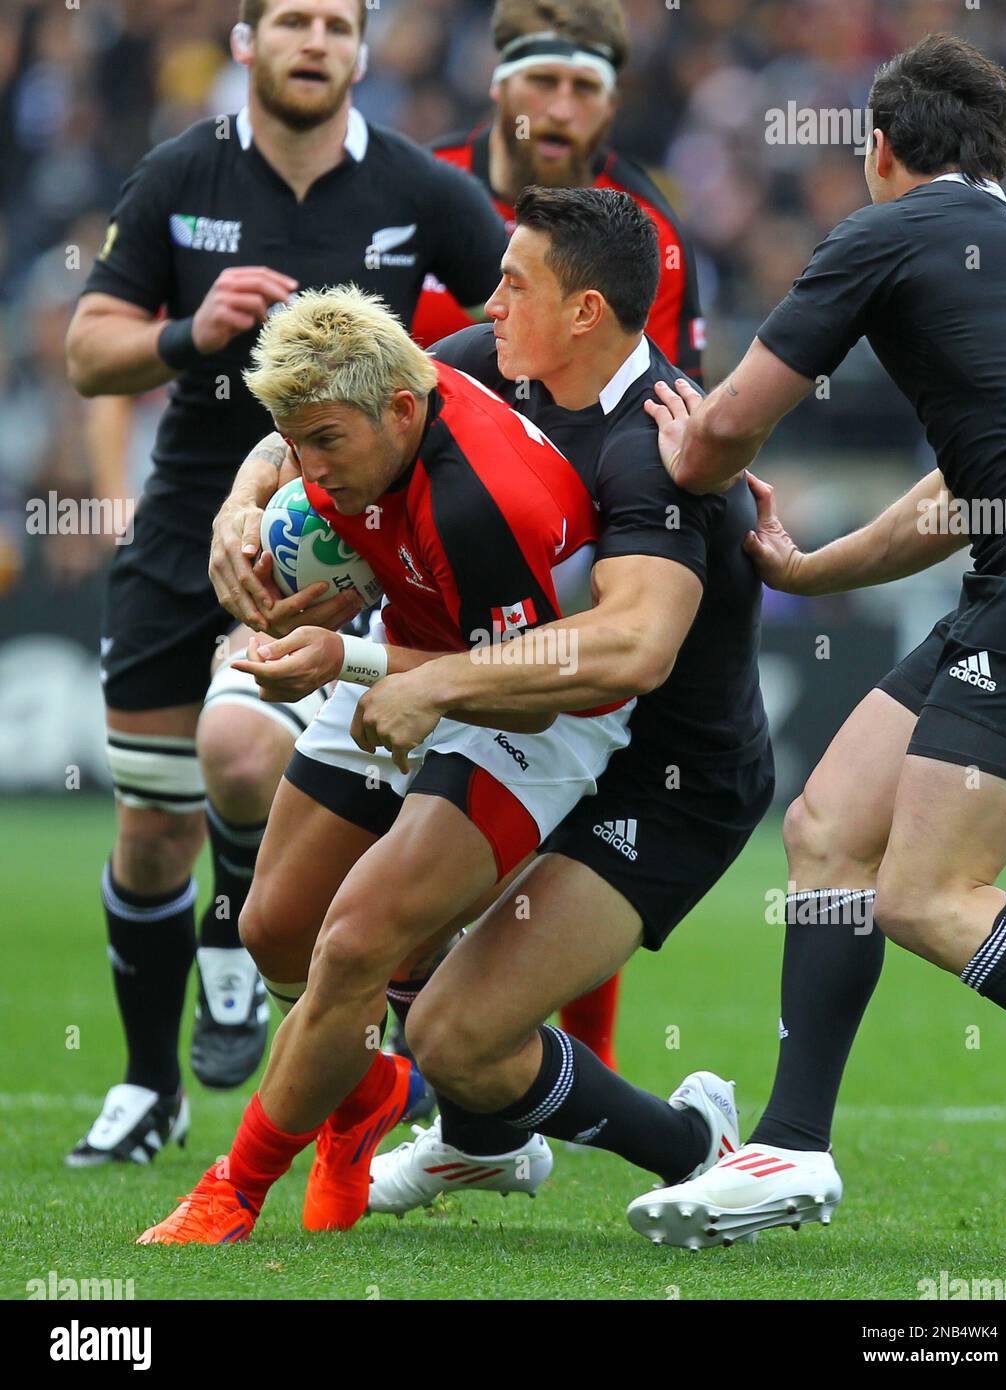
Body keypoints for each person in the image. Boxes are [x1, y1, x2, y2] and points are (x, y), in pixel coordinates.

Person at [216, 188, 771, 1215]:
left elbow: (633, 648)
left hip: (663, 773)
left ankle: (694, 1142)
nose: (489, 298)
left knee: (457, 1028)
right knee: (289, 925)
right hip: (504, 693)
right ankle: (470, 1138)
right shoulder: (485, 359)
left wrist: (405, 676)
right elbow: (336, 396)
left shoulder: (665, 444)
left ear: (586, 313)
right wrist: (247, 495)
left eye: (514, 283)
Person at [63, 0, 505, 1165]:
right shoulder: (179, 174)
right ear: (248, 42)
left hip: (348, 554)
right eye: (290, 20)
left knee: (246, 758)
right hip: (184, 536)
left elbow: (517, 322)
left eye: (335, 23)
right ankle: (148, 1082)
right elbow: (87, 347)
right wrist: (185, 332)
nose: (313, 41)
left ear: (362, 49)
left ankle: (245, 943)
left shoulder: (420, 190)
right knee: (152, 829)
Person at [624, 33, 1006, 1249]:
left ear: (876, 149)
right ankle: (790, 1149)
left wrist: (664, 442)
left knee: (927, 893)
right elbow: (963, 492)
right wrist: (809, 568)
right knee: (829, 828)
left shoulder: (884, 232)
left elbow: (713, 443)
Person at [136, 282, 639, 1244]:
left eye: (329, 443)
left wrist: (350, 658)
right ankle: (366, 1090)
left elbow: (514, 680)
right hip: (405, 655)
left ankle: (232, 1193)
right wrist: (237, 509)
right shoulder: (371, 407)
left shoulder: (481, 506)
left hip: (533, 712)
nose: (312, 470)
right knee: (276, 928)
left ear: (401, 412)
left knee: (356, 944)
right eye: (302, 441)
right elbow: (283, 443)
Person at [413, 0, 707, 1066]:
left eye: (585, 87)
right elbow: (394, 366)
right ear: (500, 86)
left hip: (562, 538)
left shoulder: (646, 229)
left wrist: (699, 474)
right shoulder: (425, 187)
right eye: (544, 80)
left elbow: (654, 397)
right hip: (408, 515)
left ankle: (555, 1056)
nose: (561, 104)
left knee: (546, 760)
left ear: (612, 102)